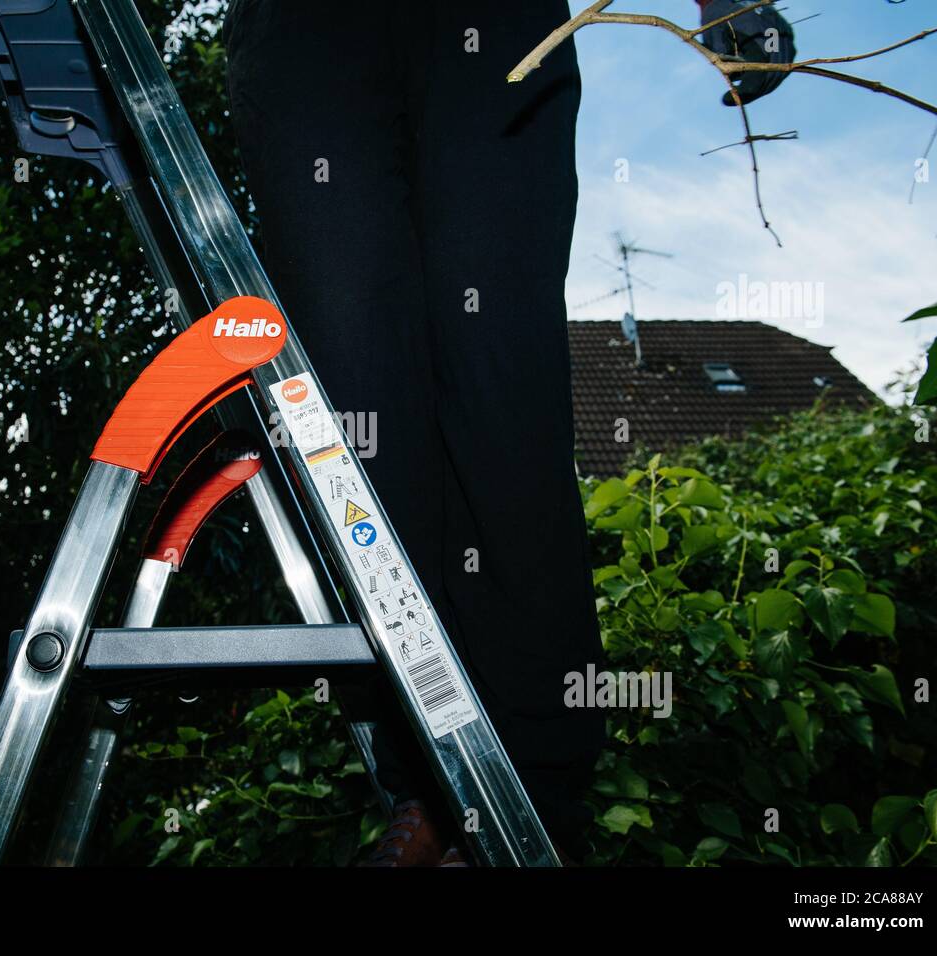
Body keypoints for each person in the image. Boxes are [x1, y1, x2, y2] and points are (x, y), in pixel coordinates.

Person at [222, 0, 794, 866]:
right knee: (356, 400)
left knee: (500, 369)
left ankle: (532, 776)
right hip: (303, 29)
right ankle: (424, 772)